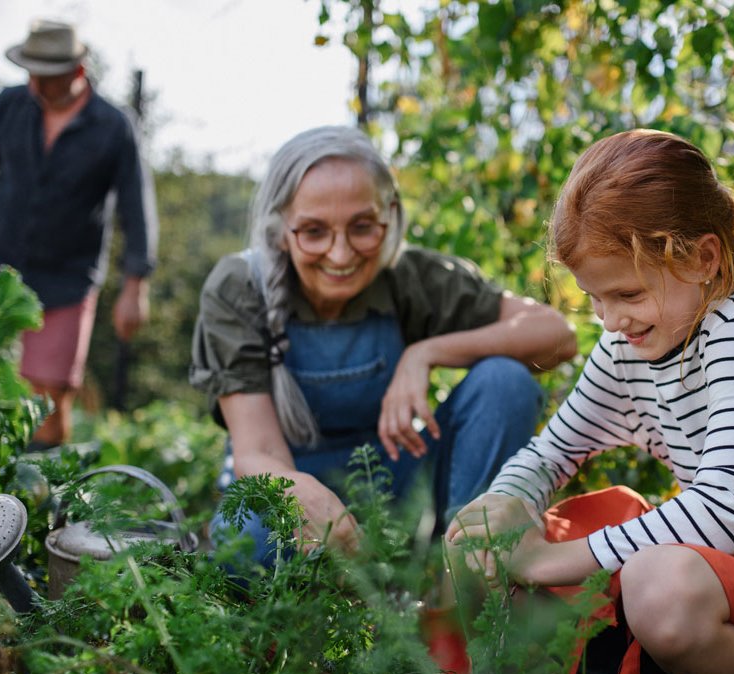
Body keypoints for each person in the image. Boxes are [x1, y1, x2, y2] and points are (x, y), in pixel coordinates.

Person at [447, 129, 734, 674]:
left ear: (703, 258)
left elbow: (719, 515)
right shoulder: (631, 342)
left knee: (658, 585)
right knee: (478, 535)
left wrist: (544, 559)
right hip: (711, 565)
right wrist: (509, 501)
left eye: (628, 295)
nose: (609, 319)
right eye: (594, 298)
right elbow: (553, 452)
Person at [190, 125, 577, 563]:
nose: (340, 255)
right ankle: (354, 582)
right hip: (285, 483)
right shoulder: (239, 287)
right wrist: (310, 505)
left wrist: (425, 354)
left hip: (394, 483)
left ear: (389, 216)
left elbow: (556, 335)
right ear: (280, 228)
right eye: (314, 232)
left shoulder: (409, 277)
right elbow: (256, 453)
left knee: (504, 381)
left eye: (362, 228)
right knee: (252, 545)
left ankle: (465, 566)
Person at [0, 19, 158, 447]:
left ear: (77, 73)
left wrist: (135, 287)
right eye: (30, 74)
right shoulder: (11, 106)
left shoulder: (113, 126)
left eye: (46, 78)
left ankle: (40, 499)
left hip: (66, 280)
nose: (34, 86)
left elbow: (138, 210)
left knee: (47, 399)